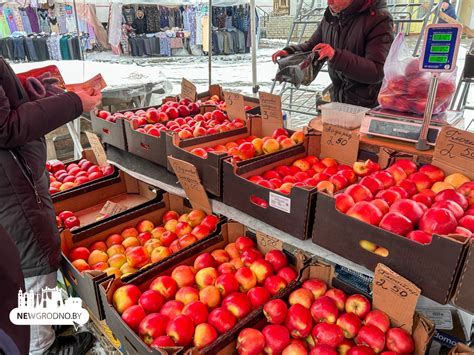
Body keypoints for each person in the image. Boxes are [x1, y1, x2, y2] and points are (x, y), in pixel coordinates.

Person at [0, 57, 101, 354]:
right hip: (11, 185)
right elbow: (6, 127)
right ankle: (42, 347)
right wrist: (73, 103)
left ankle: (43, 332)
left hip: (14, 179)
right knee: (32, 261)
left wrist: (33, 90)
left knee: (28, 260)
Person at [272, 0, 394, 108]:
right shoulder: (331, 16)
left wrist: (336, 56)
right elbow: (312, 45)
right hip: (338, 100)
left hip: (367, 107)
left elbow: (377, 71)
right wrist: (290, 51)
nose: (329, 2)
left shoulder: (379, 19)